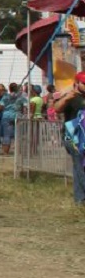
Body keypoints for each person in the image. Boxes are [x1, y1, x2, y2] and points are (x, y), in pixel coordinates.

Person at [52, 71, 85, 205]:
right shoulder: (71, 97)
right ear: (77, 83)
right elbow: (57, 108)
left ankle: (80, 199)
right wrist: (65, 98)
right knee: (79, 165)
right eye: (84, 83)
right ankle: (80, 200)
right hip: (72, 138)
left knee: (80, 168)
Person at [0, 82, 22, 155]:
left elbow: (0, 106)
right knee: (18, 134)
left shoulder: (5, 97)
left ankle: (5, 152)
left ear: (9, 89)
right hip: (17, 116)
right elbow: (24, 106)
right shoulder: (20, 97)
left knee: (6, 134)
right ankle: (19, 152)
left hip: (6, 116)